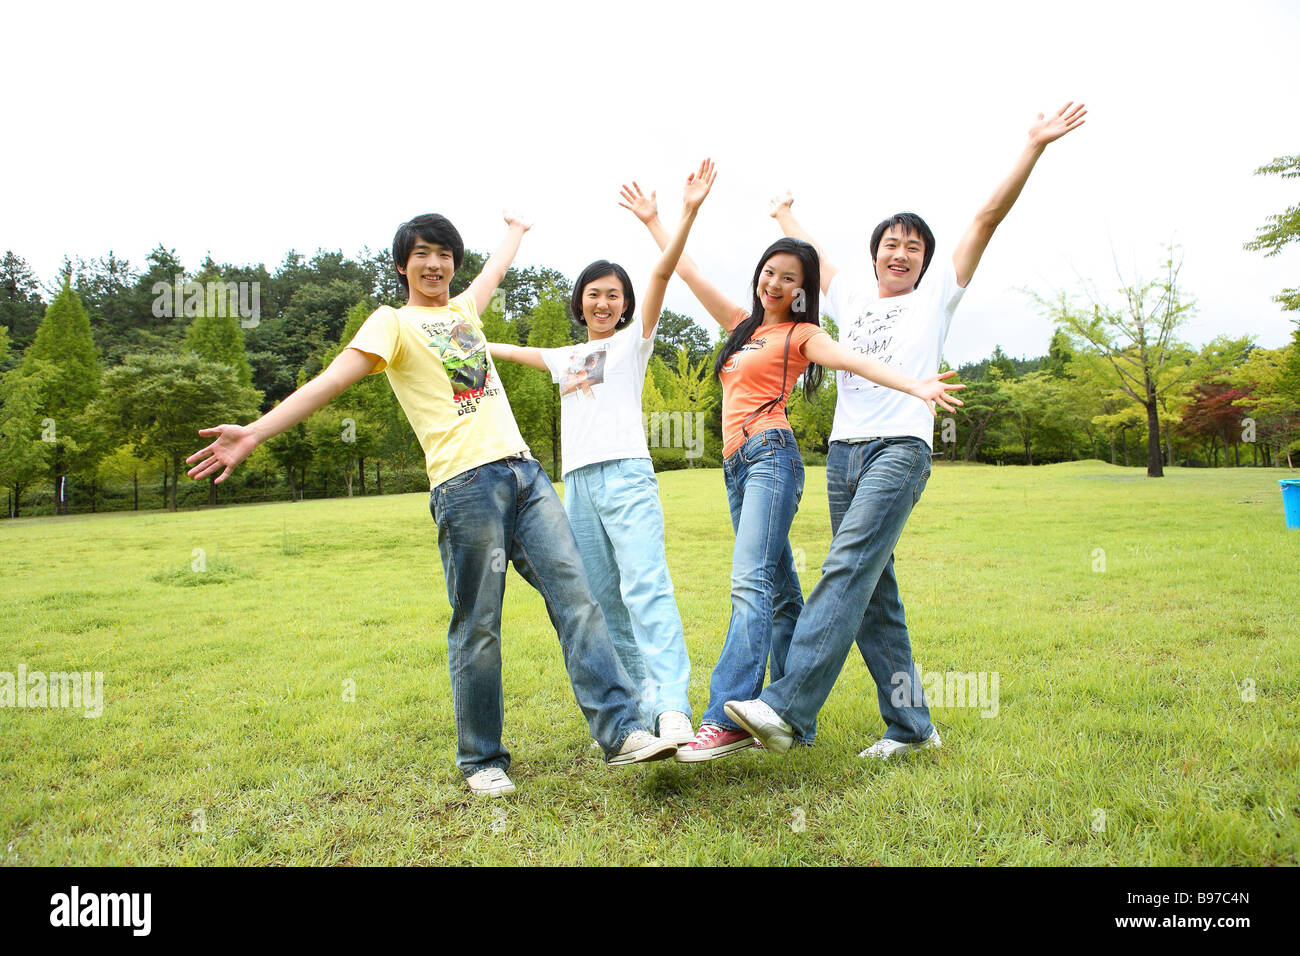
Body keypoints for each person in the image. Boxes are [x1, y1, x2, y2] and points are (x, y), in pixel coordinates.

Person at [184, 210, 678, 799]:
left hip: (526, 474)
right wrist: (257, 431)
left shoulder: (465, 311)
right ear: (402, 266)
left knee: (579, 600)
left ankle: (621, 730)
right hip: (465, 487)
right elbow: (332, 381)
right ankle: (482, 758)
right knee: (479, 625)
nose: (435, 263)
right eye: (422, 254)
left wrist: (516, 231)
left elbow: (495, 270)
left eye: (444, 254)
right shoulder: (391, 324)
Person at [724, 102, 1087, 760]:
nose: (902, 252)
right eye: (891, 244)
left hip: (900, 450)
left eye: (913, 246)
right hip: (842, 458)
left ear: (924, 262)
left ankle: (785, 707)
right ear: (875, 256)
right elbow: (814, 256)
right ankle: (913, 726)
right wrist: (782, 214)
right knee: (872, 594)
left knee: (845, 567)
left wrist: (1032, 147)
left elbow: (985, 218)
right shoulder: (850, 298)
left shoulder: (936, 294)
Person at [620, 179, 964, 762]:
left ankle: (734, 715)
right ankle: (903, 725)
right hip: (736, 466)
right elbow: (688, 272)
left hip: (771, 458)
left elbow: (855, 359)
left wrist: (914, 385)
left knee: (752, 583)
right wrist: (664, 218)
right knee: (788, 592)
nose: (775, 283)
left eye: (789, 278)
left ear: (804, 293)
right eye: (769, 273)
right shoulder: (741, 325)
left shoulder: (803, 333)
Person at [488, 159, 716, 745]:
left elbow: (664, 274)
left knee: (647, 588)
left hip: (627, 476)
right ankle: (638, 712)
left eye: (613, 295)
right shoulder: (567, 357)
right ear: (579, 301)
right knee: (605, 602)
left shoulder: (631, 343)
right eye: (594, 294)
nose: (603, 303)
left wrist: (673, 216)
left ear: (624, 304)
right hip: (579, 488)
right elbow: (513, 351)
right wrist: (468, 339)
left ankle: (672, 707)